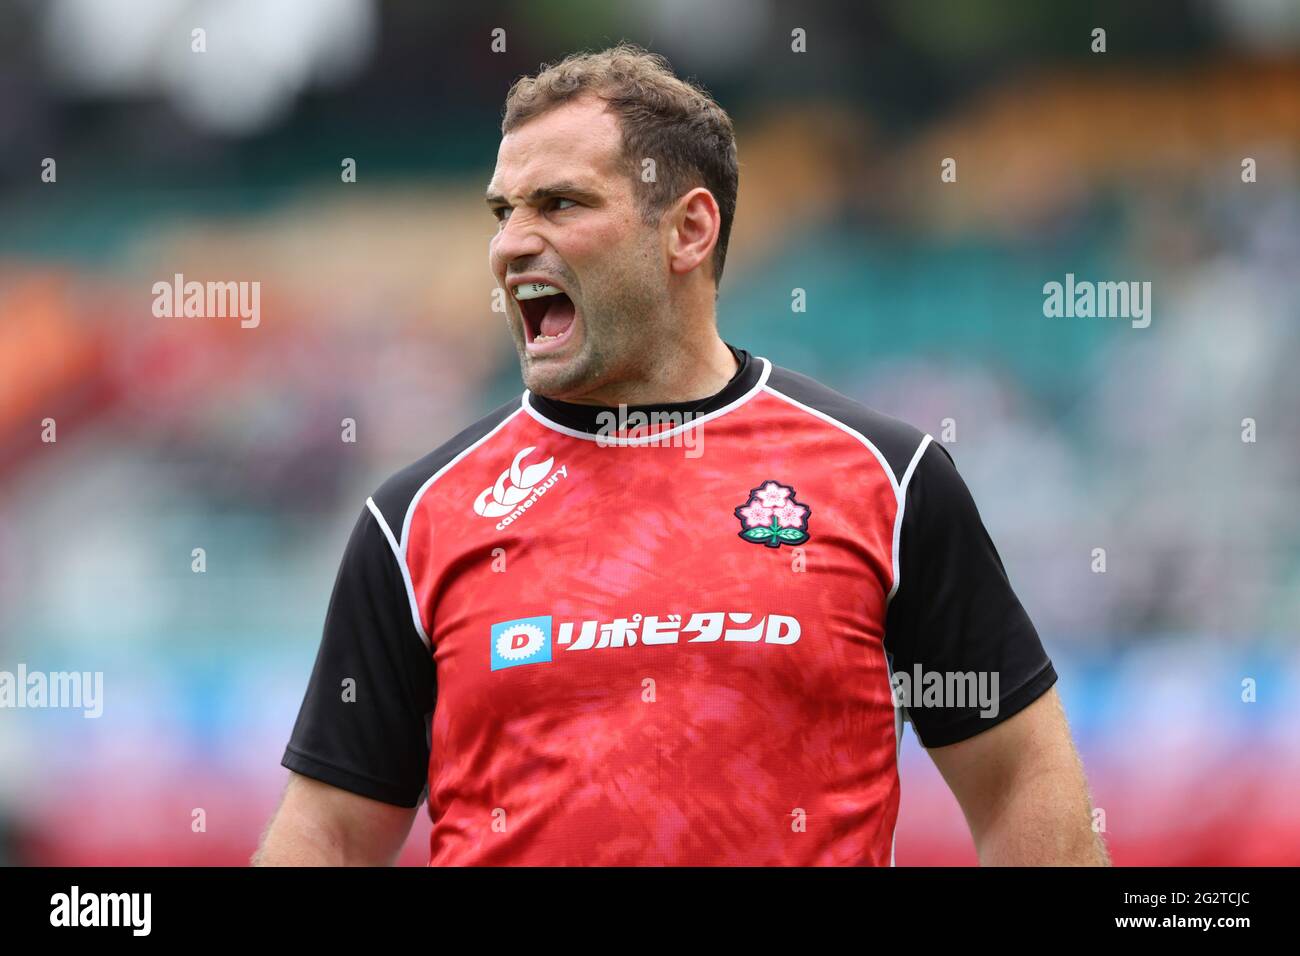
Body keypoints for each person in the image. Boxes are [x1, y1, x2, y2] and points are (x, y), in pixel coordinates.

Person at [255, 43, 1108, 866]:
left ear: (689, 230)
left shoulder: (886, 481)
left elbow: (1019, 781)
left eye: (559, 204)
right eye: (501, 211)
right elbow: (329, 833)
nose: (510, 243)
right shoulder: (415, 521)